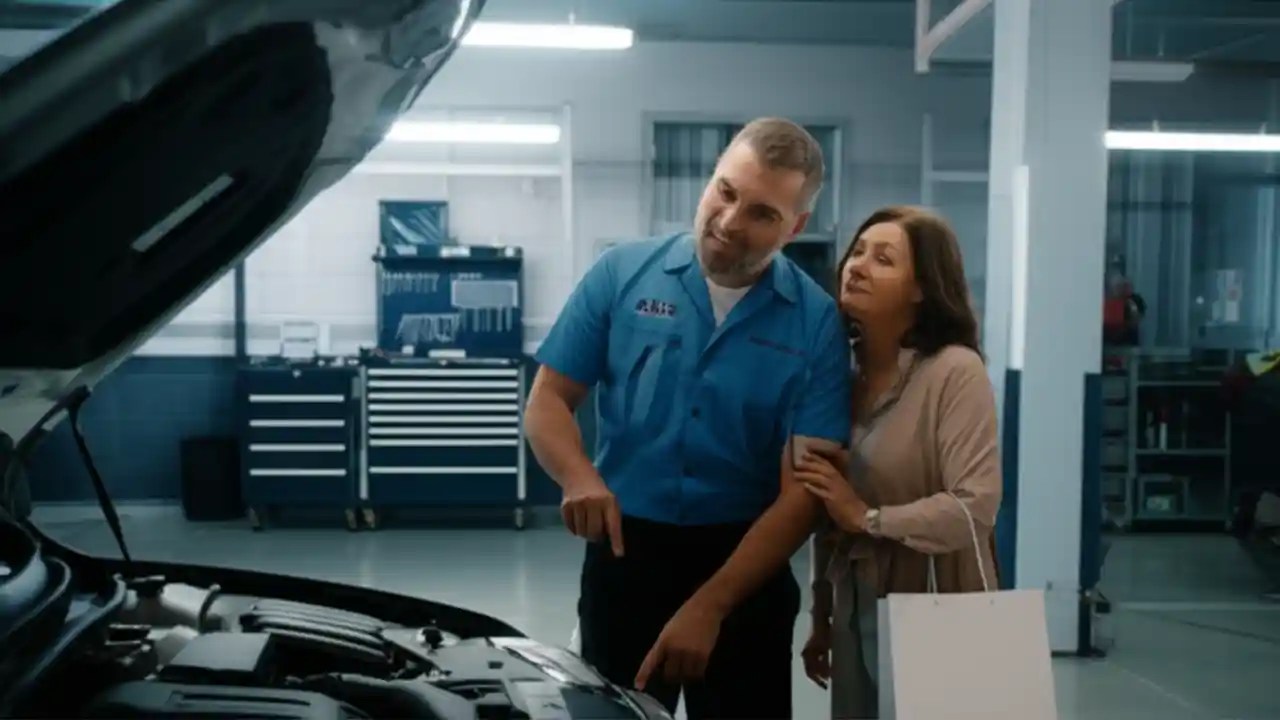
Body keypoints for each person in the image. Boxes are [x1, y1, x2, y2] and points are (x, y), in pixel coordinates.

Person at [524, 117, 851, 719]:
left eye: (762, 213)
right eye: (725, 192)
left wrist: (712, 605)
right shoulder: (622, 275)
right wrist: (578, 476)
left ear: (796, 227)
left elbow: (806, 490)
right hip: (626, 556)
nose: (730, 223)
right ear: (709, 181)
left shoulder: (815, 322)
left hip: (746, 566)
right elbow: (548, 398)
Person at [792, 206, 1001, 719]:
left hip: (934, 599)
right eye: (857, 252)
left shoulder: (954, 371)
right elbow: (829, 510)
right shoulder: (842, 379)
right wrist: (822, 613)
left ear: (922, 288)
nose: (857, 266)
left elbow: (974, 508)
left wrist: (868, 518)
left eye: (882, 258)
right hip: (854, 603)